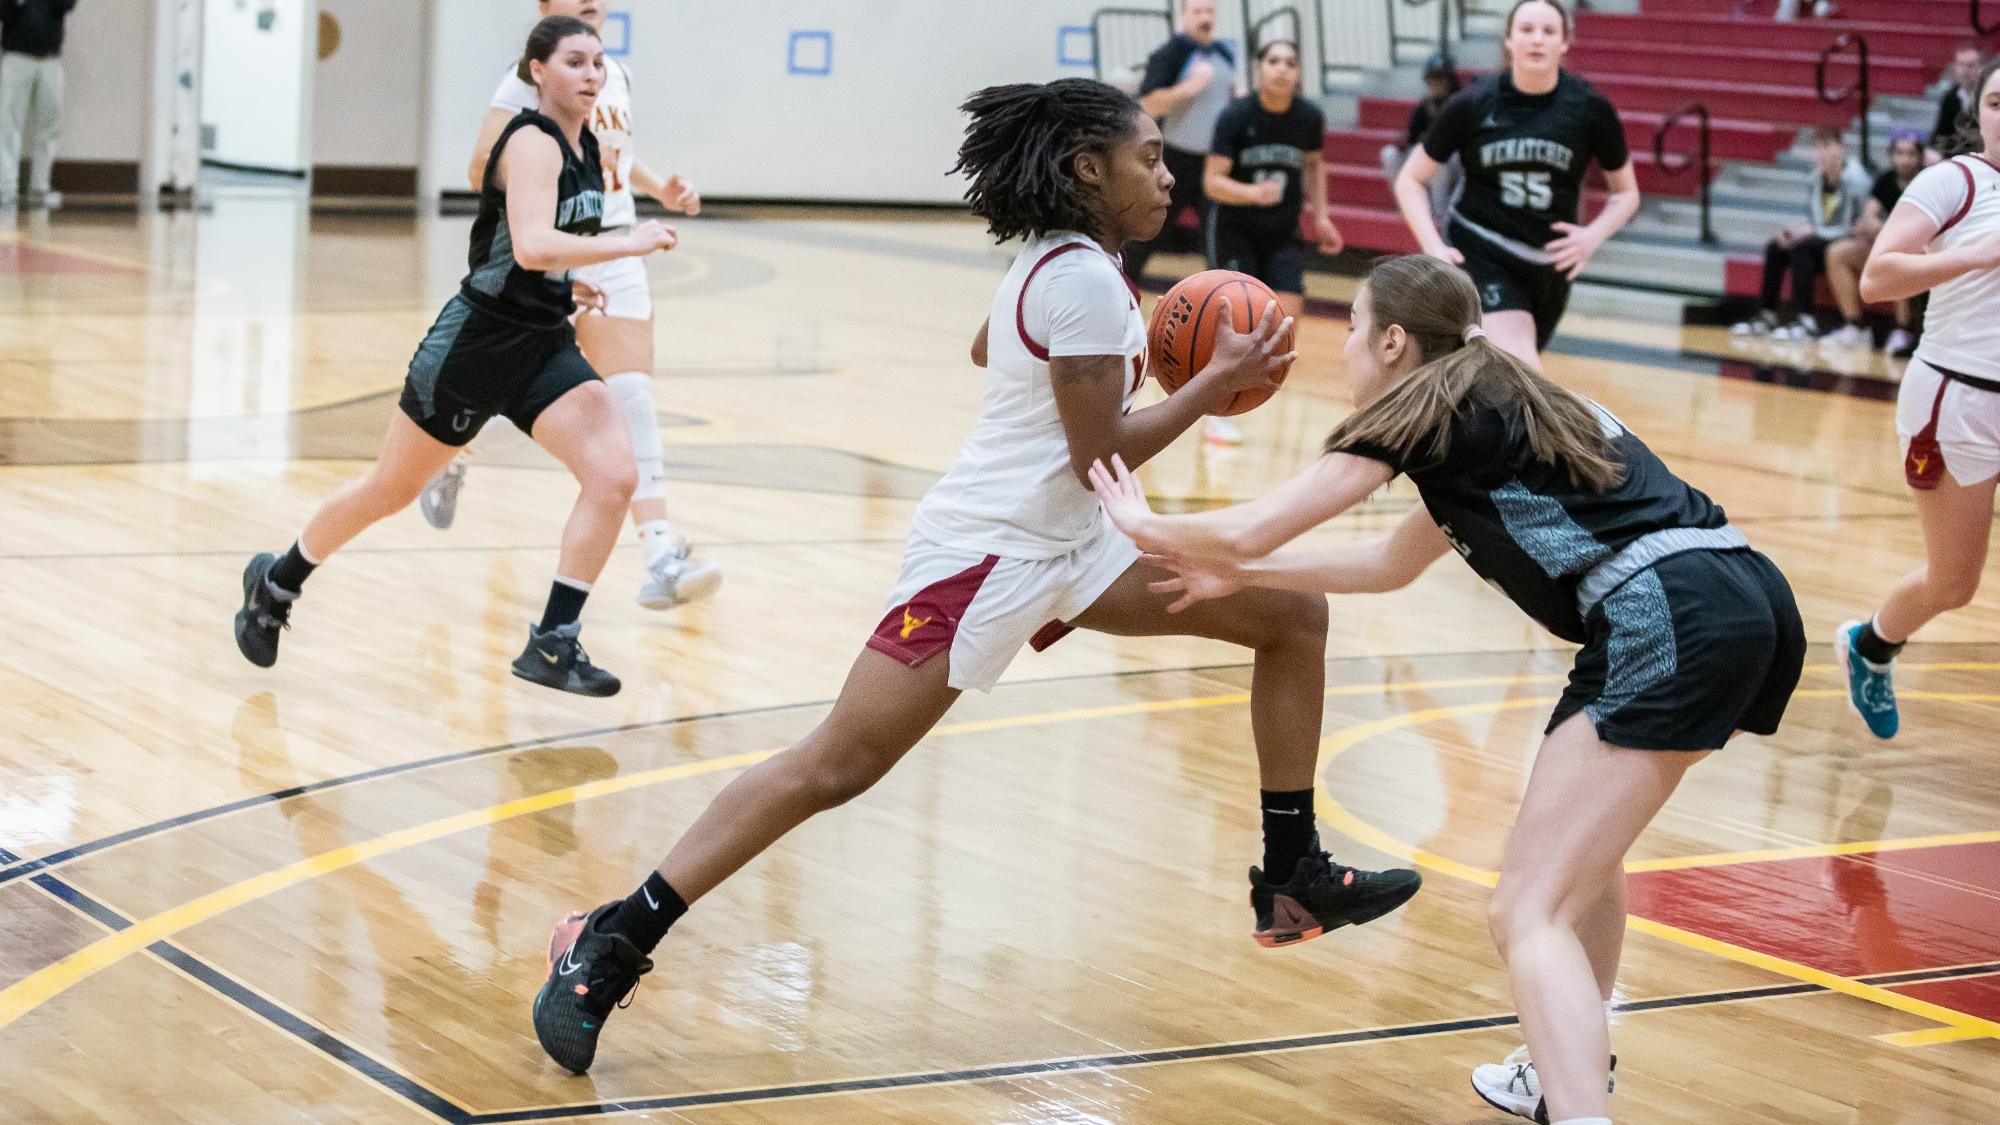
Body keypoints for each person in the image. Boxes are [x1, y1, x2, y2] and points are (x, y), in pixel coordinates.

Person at [526, 78, 1422, 1075]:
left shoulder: (1072, 264)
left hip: (1071, 548)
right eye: (1150, 158)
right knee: (834, 766)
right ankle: (608, 940)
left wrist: (1106, 356)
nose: (1164, 175)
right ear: (1088, 169)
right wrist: (1208, 381)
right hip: (986, 557)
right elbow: (1100, 453)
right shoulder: (1079, 277)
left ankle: (1291, 875)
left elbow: (989, 346)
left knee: (1292, 611)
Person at [1091, 253, 1804, 1125]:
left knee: (1525, 909)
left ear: (1394, 340)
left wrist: (1145, 525)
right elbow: (1387, 565)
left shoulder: (1423, 412)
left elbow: (1247, 528)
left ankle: (1581, 1113)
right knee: (1585, 860)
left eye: (1352, 329)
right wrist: (1238, 579)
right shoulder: (1505, 396)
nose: (1346, 348)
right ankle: (1562, 1070)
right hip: (1739, 593)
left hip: (1666, 612)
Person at [233, 16, 676, 697]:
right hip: (476, 346)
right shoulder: (531, 142)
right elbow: (530, 245)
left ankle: (554, 642)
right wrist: (625, 244)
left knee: (614, 473)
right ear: (537, 71)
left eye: (599, 63)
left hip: (542, 344)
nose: (592, 74)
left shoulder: (586, 147)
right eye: (575, 62)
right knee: (390, 489)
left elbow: (535, 254)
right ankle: (276, 580)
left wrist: (569, 281)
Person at [420, 0, 720, 613]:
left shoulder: (617, 73)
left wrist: (657, 185)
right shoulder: (525, 76)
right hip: (554, 249)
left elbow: (611, 151)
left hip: (617, 246)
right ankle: (451, 447)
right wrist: (544, 211)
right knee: (528, 384)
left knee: (630, 394)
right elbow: (482, 164)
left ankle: (661, 552)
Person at [1838, 58, 2000, 740]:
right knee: (1953, 583)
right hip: (1959, 397)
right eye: (1997, 101)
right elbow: (1877, 278)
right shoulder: (1954, 181)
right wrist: (1978, 254)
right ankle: (1871, 646)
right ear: (1978, 112)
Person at [1392, 0, 1642, 367]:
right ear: (1509, 39)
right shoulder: (1474, 103)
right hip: (1482, 249)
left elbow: (1626, 193)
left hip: (1549, 265)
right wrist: (1433, 246)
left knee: (1494, 374)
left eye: (1548, 31)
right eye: (1526, 30)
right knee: (1518, 368)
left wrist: (1592, 236)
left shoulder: (1589, 107)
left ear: (1564, 43)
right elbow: (1410, 179)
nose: (1536, 40)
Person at [1204, 38, 1344, 320]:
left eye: (1290, 63)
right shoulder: (1235, 116)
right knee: (1240, 319)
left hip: (1283, 231)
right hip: (1235, 230)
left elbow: (1315, 165)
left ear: (1299, 73)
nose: (1282, 69)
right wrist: (1254, 193)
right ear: (1259, 69)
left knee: (1287, 320)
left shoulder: (1309, 116)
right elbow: (1212, 182)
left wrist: (1322, 217)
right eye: (1274, 61)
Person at [1123, 0, 1236, 287]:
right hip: (1173, 160)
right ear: (1183, 16)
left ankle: (1222, 305)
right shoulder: (1169, 54)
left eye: (1210, 11)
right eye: (1198, 11)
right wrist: (1190, 87)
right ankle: (1119, 289)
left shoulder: (1225, 53)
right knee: (1147, 233)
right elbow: (1146, 105)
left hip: (1213, 164)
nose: (1205, 17)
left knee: (1219, 243)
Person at [1731, 127, 1871, 343]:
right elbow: (1816, 219)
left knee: (1802, 248)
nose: (1822, 153)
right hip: (1823, 239)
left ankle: (1806, 320)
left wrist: (1810, 232)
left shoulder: (1856, 180)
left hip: (1847, 244)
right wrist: (1793, 232)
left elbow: (1852, 225)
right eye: (1817, 148)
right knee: (1776, 246)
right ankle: (1766, 315)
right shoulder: (1816, 178)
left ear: (1841, 148)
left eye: (1827, 146)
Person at [1822, 131, 1925, 354]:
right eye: (1899, 153)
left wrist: (1885, 230)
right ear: (1891, 155)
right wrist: (1876, 228)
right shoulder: (1885, 180)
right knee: (1838, 252)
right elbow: (1869, 218)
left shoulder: (1927, 181)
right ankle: (1854, 325)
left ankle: (1903, 329)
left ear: (1920, 157)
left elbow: (1917, 230)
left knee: (1900, 255)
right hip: (1887, 245)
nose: (1904, 159)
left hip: (1920, 255)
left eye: (1910, 153)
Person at [0, 0, 73, 211]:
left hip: (50, 58)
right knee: (8, 124)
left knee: (49, 125)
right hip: (16, 56)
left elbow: (67, 5)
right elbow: (4, 13)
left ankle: (40, 189)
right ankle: (6, 189)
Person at [1379, 53, 1463, 232]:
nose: (1435, 85)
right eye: (1432, 80)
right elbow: (1412, 138)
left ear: (1450, 81)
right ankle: (1407, 205)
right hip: (1430, 162)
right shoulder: (1425, 106)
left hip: (1453, 162)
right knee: (1389, 154)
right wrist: (1404, 141)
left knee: (1437, 159)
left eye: (1439, 79)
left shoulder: (1460, 103)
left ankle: (1439, 215)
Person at [1931, 44, 1983, 158]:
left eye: (1970, 65)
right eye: (1960, 64)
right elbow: (1941, 133)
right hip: (1955, 157)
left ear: (1981, 67)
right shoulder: (1949, 98)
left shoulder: (1989, 97)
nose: (1964, 71)